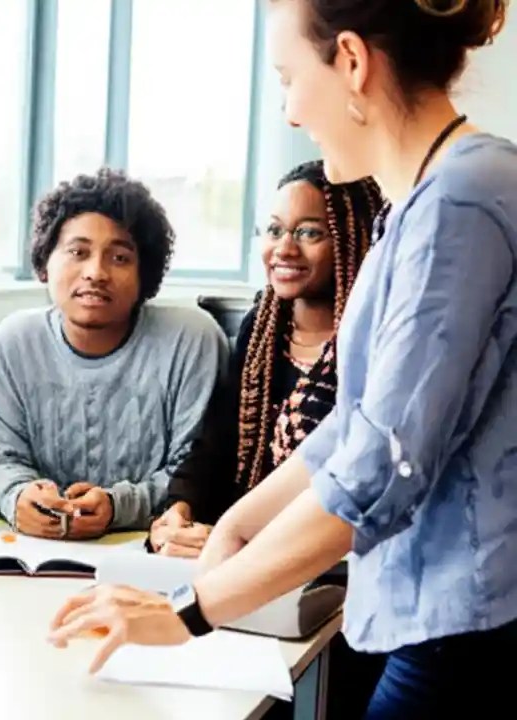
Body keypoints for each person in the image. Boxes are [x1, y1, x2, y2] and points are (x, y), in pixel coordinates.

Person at [49, 1, 517, 716]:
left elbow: (379, 470)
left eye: (289, 78)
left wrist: (187, 611)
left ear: (352, 62)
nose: (290, 112)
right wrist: (241, 521)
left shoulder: (461, 201)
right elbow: (361, 420)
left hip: (469, 625)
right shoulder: (423, 202)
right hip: (438, 616)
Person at [0, 169, 228, 540]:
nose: (96, 273)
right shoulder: (15, 341)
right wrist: (18, 498)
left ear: (147, 272)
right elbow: (3, 460)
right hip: (38, 550)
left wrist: (116, 506)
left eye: (120, 258)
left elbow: (196, 474)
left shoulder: (191, 340)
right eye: (78, 252)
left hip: (155, 546)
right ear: (46, 261)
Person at [149, 160, 384, 557]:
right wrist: (177, 511)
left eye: (309, 232)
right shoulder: (262, 328)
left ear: (353, 238)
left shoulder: (377, 338)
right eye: (274, 230)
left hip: (333, 558)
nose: (285, 248)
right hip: (242, 551)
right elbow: (217, 444)